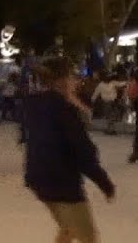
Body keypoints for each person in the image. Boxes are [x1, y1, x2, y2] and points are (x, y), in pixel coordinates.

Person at [22, 57, 115, 243]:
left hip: (38, 177)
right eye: (72, 77)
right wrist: (103, 182)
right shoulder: (64, 109)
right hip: (62, 180)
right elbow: (82, 151)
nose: (75, 81)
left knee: (68, 229)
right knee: (88, 237)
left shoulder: (33, 105)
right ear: (61, 80)